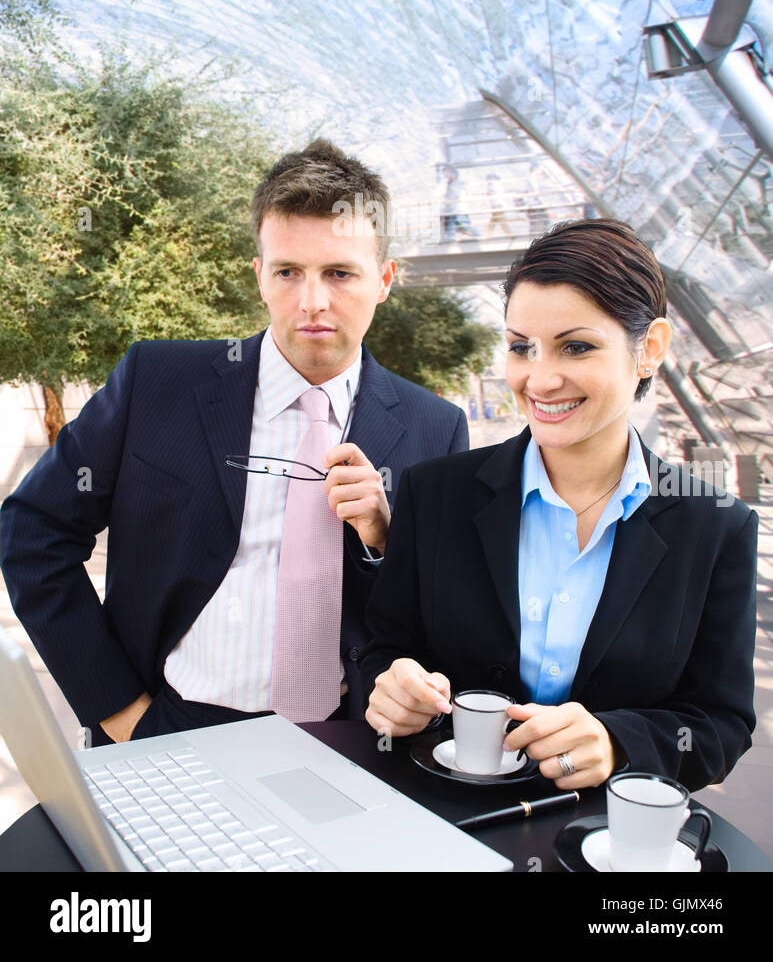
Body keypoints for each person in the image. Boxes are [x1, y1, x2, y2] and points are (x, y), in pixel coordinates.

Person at [0, 140, 469, 744]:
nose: (313, 301)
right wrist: (119, 712)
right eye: (288, 272)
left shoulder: (435, 426)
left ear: (383, 280)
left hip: (348, 741)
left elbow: (439, 612)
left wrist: (385, 538)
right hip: (164, 729)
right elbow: (32, 531)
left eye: (339, 273)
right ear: (259, 277)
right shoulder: (156, 382)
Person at [362, 219, 757, 793]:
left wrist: (617, 742)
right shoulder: (435, 493)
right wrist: (390, 687)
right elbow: (387, 650)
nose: (540, 379)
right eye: (521, 347)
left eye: (576, 346)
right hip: (443, 814)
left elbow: (719, 724)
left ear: (649, 349)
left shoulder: (715, 526)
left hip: (600, 838)